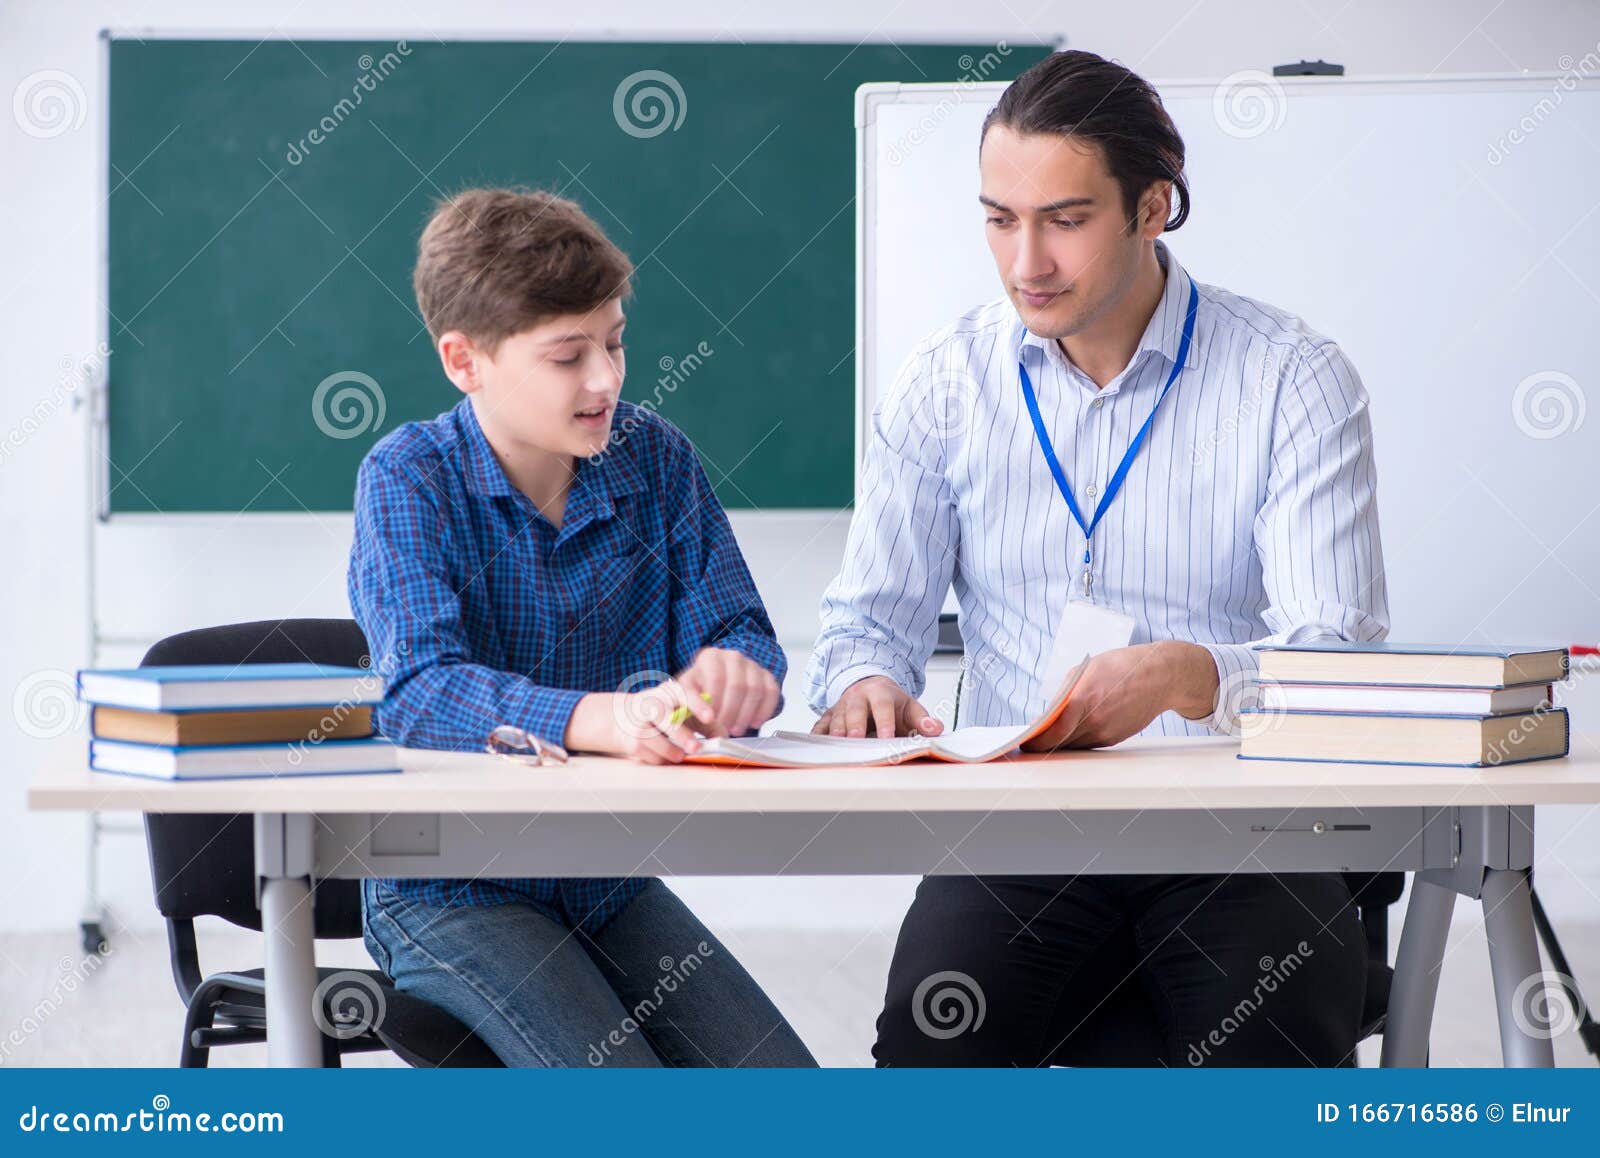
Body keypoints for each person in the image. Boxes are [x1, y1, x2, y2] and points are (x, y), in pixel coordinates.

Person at [806, 51, 1387, 1067]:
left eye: (1064, 220)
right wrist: (863, 683)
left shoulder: (1292, 379)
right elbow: (866, 625)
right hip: (1019, 832)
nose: (1024, 260)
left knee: (1270, 1056)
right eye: (998, 218)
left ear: (1152, 207)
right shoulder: (943, 383)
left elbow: (1340, 658)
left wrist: (1193, 673)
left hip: (1236, 828)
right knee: (932, 1051)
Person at [349, 186, 815, 1068]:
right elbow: (418, 690)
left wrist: (736, 677)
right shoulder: (409, 478)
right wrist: (608, 719)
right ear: (465, 361)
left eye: (615, 342)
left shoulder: (656, 457)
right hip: (453, 889)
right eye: (569, 356)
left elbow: (744, 635)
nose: (606, 378)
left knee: (788, 1092)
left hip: (604, 878)